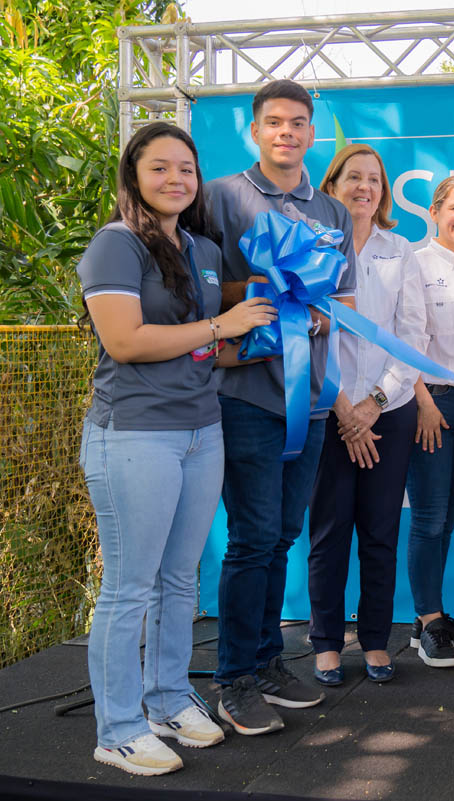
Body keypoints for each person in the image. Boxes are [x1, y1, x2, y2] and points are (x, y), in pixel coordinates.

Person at [78, 122, 276, 774]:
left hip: (200, 428)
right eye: (160, 168)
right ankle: (119, 726)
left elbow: (203, 346)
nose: (175, 180)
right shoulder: (115, 244)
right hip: (135, 432)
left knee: (177, 579)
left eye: (185, 169)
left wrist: (268, 331)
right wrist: (223, 323)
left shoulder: (203, 247)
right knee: (129, 586)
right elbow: (126, 341)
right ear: (133, 174)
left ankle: (167, 698)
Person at [207, 79, 362, 735]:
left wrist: (317, 321)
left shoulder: (332, 212)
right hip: (245, 396)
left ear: (313, 132)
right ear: (255, 129)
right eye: (275, 122)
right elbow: (203, 288)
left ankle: (267, 661)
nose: (288, 133)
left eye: (299, 123)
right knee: (250, 538)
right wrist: (269, 299)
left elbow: (346, 300)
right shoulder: (221, 197)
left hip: (314, 403)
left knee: (283, 536)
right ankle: (233, 677)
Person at [307, 144, 425, 686]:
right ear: (331, 185)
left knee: (380, 531)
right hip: (326, 410)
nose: (364, 188)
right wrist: (342, 407)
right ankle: (327, 644)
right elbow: (300, 334)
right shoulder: (308, 251)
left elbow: (412, 337)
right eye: (353, 177)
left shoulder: (401, 251)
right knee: (329, 533)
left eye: (374, 180)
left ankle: (376, 641)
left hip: (388, 412)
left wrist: (372, 405)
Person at [406, 175, 454, 669]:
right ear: (434, 211)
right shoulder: (413, 264)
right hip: (432, 404)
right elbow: (403, 339)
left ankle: (429, 616)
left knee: (449, 516)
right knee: (429, 517)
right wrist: (422, 401)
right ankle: (428, 622)